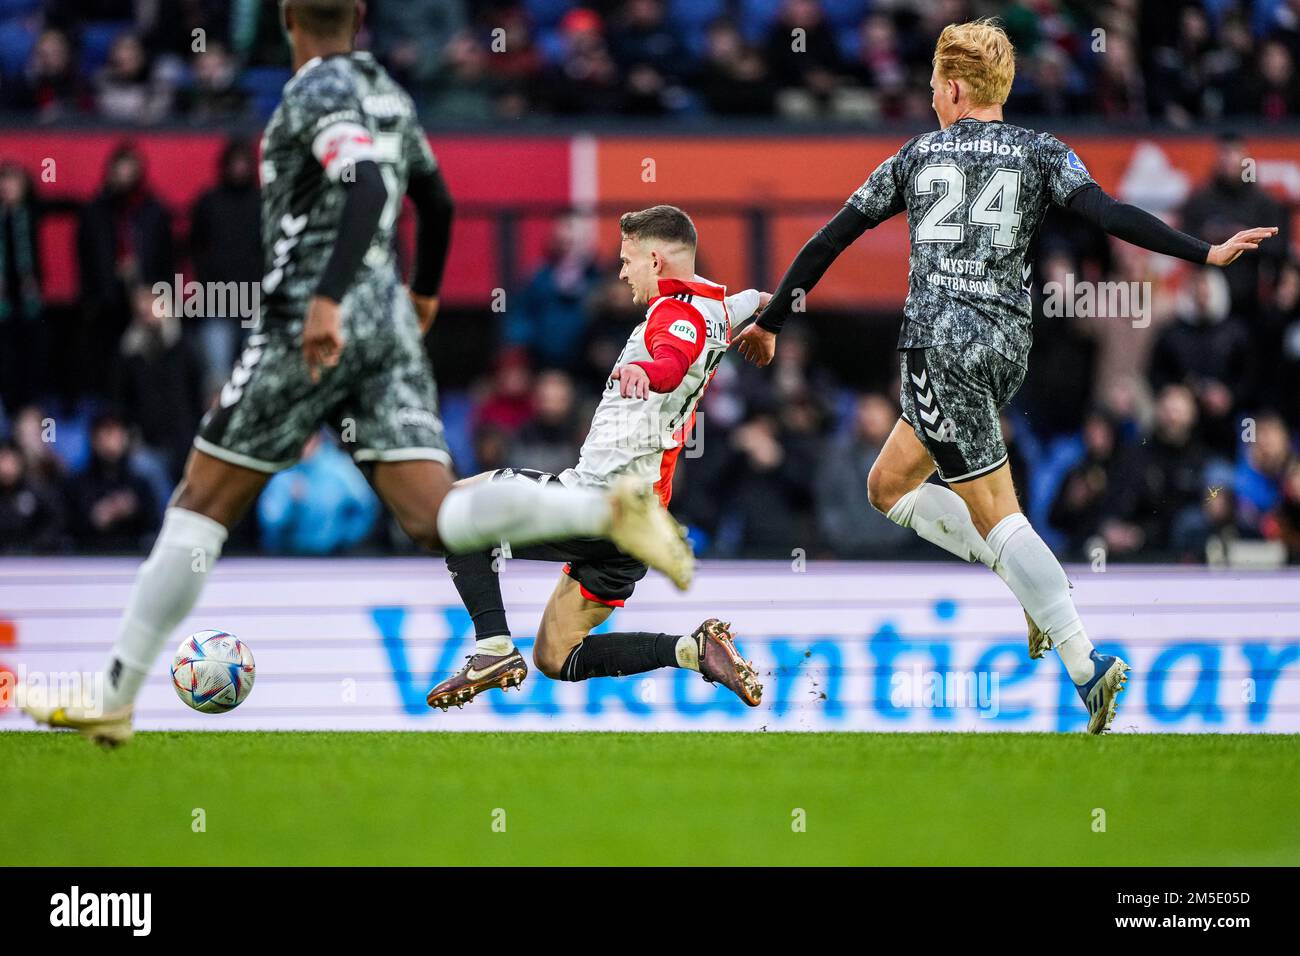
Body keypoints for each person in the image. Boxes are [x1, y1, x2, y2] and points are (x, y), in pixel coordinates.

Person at [20, 0, 692, 747]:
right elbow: (434, 200)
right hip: (390, 324)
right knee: (431, 513)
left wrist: (328, 301)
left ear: (286, 19)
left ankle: (114, 693)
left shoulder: (314, 89)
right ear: (363, 16)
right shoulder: (389, 92)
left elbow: (368, 185)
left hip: (313, 317)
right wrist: (425, 294)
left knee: (202, 497)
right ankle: (601, 514)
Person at [736, 18, 1278, 734]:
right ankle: (1024, 582)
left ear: (955, 88)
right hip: (1005, 345)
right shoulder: (1041, 150)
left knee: (998, 516)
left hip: (938, 346)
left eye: (934, 86)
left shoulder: (917, 155)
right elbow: (1110, 214)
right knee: (887, 485)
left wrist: (771, 321)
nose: (932, 98)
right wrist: (1202, 253)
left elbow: (829, 237)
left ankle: (1086, 665)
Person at [427, 206, 765, 711]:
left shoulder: (674, 316)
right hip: (637, 522)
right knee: (556, 655)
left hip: (601, 499)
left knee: (452, 510)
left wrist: (648, 373)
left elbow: (671, 363)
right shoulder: (715, 306)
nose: (622, 272)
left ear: (655, 259)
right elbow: (757, 298)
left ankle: (493, 649)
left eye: (628, 261)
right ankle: (694, 651)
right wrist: (768, 320)